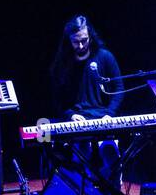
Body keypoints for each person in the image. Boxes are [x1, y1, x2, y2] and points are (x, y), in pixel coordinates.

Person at [48, 14, 125, 185]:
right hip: (78, 120)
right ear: (69, 40)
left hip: (104, 118)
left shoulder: (105, 57)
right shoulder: (62, 64)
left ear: (90, 35)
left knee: (110, 152)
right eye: (76, 42)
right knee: (80, 156)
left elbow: (119, 89)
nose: (81, 45)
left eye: (84, 40)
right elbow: (57, 99)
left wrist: (110, 114)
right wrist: (69, 115)